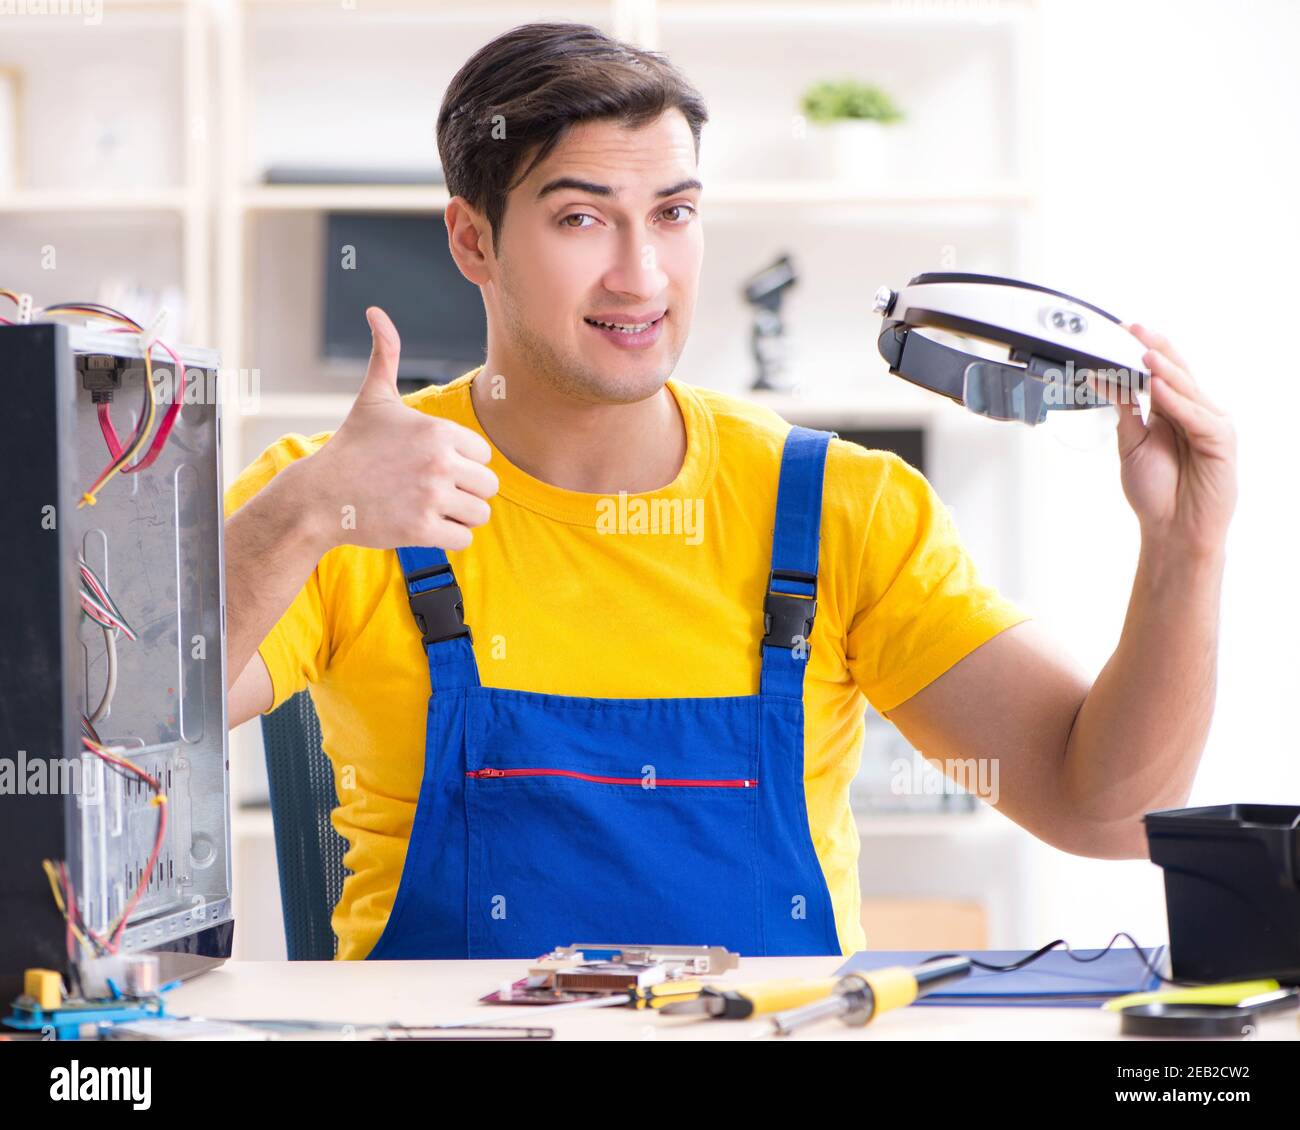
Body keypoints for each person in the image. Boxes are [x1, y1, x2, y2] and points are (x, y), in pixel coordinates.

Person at [223, 22, 1237, 960]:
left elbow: (1103, 813)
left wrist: (1184, 546)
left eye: (673, 214)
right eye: (582, 217)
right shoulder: (345, 495)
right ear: (471, 239)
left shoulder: (840, 508)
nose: (640, 275)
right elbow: (114, 727)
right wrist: (303, 510)